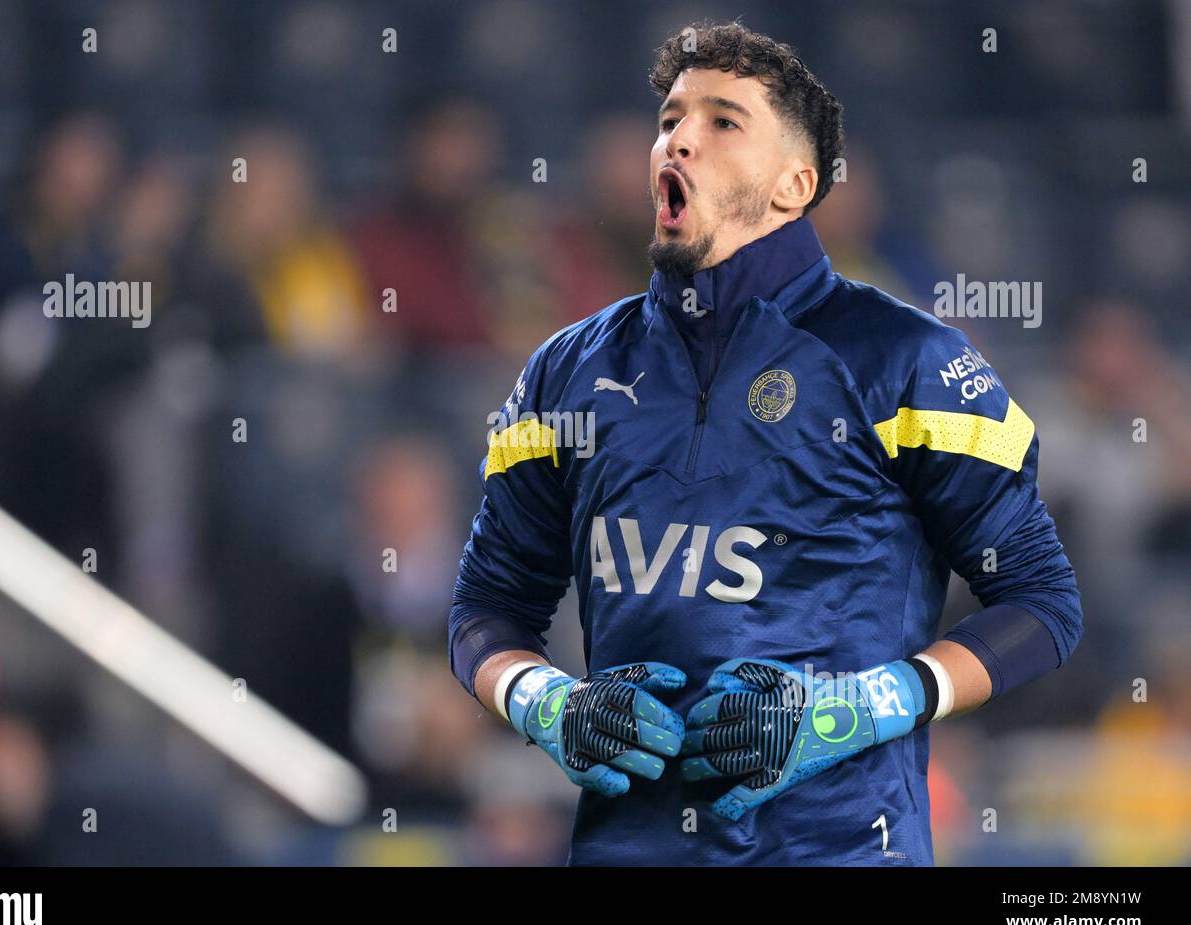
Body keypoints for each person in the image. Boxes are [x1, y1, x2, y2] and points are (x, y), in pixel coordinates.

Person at [448, 21, 1082, 865]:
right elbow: (486, 609)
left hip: (844, 849)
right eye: (671, 117)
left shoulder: (905, 360)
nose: (678, 138)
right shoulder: (566, 373)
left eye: (722, 121)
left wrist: (862, 707)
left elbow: (1042, 604)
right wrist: (546, 703)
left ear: (795, 184)